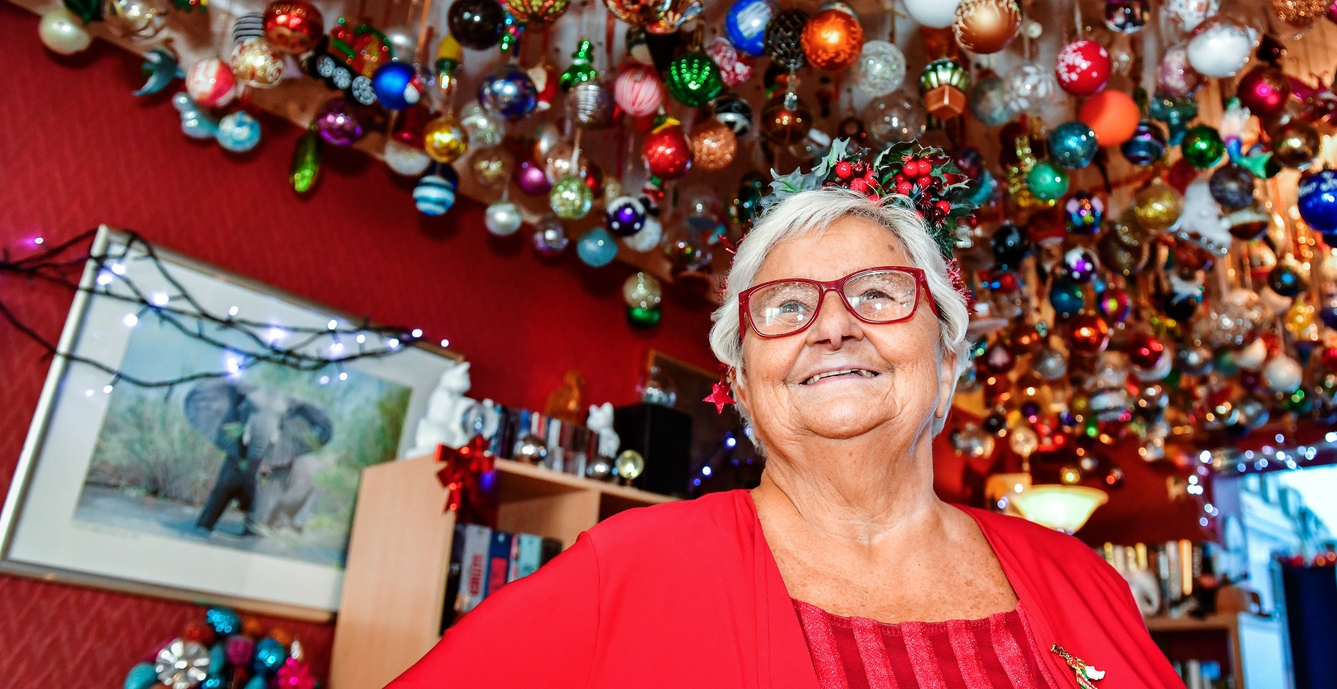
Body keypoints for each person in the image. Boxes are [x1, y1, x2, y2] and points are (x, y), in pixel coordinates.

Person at [389, 149, 1184, 689]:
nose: (832, 326)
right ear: (740, 385)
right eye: (787, 305)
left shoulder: (1083, 580)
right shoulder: (625, 570)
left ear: (946, 364)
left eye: (877, 292)